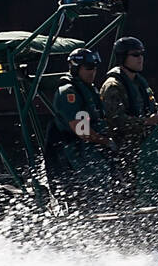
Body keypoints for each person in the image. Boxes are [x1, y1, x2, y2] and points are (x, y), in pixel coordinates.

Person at [44, 47, 113, 205]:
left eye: (95, 68)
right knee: (96, 182)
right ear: (76, 68)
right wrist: (107, 142)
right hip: (74, 153)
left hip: (91, 148)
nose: (93, 72)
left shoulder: (90, 89)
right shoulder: (68, 93)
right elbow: (82, 131)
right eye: (88, 68)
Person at [100, 36, 158, 150]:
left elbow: (154, 108)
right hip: (124, 147)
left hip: (146, 142)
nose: (140, 58)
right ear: (122, 57)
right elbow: (117, 121)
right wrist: (147, 122)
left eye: (141, 54)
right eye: (135, 55)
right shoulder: (113, 86)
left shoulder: (139, 83)